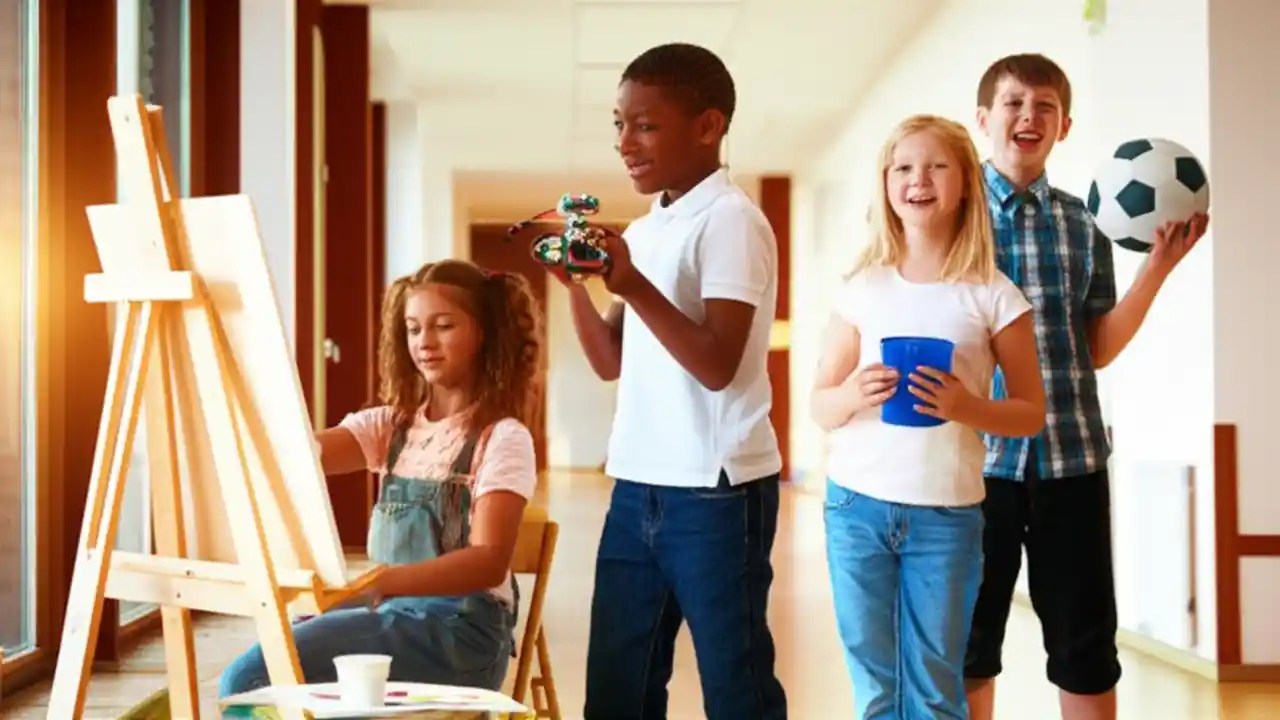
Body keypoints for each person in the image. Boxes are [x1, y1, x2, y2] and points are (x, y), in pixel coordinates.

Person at [963, 53, 1210, 720]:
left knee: (1086, 647)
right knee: (968, 645)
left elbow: (1094, 348)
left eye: (1044, 106)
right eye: (1014, 103)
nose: (1028, 116)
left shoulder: (1086, 222)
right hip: (973, 467)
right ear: (984, 118)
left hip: (1071, 461)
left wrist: (1156, 270)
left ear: (1064, 126)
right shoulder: (952, 214)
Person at [558, 42, 788, 720]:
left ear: (708, 126)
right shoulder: (647, 228)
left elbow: (717, 364)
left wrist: (631, 283)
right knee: (617, 693)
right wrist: (577, 285)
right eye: (619, 124)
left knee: (737, 691)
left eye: (645, 125)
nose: (625, 142)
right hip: (637, 484)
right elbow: (610, 359)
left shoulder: (732, 221)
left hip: (717, 490)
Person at [217, 259, 544, 697]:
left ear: (483, 332)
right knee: (287, 644)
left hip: (459, 634)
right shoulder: (390, 426)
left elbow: (488, 561)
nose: (424, 342)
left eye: (443, 326)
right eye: (413, 329)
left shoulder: (501, 437)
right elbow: (293, 460)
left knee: (251, 680)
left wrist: (379, 585)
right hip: (395, 613)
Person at [811, 113, 1046, 719]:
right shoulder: (861, 287)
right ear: (886, 183)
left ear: (966, 183)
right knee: (875, 685)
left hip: (947, 514)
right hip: (855, 507)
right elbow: (821, 404)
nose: (919, 179)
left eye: (937, 166)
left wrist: (965, 406)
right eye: (904, 167)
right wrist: (853, 394)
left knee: (936, 688)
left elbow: (1030, 414)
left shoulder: (994, 294)